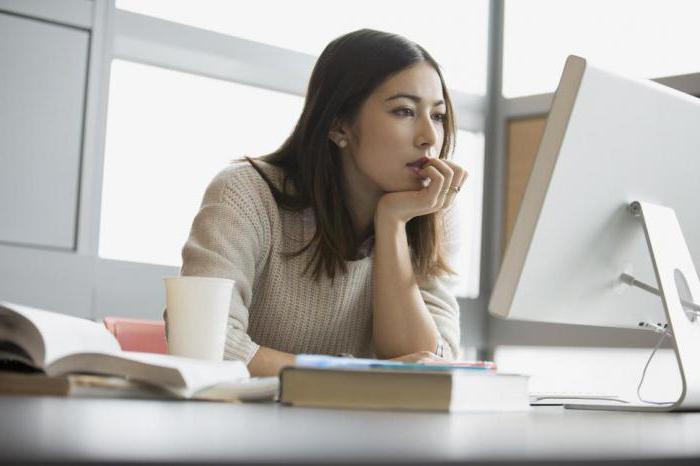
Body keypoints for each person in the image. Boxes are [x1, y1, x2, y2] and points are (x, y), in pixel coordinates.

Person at [176, 29, 468, 377]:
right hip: (246, 424)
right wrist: (353, 377)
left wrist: (391, 225)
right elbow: (209, 345)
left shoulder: (429, 210)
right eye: (404, 111)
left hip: (369, 429)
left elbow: (428, 363)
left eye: (437, 115)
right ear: (338, 125)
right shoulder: (245, 193)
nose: (430, 137)